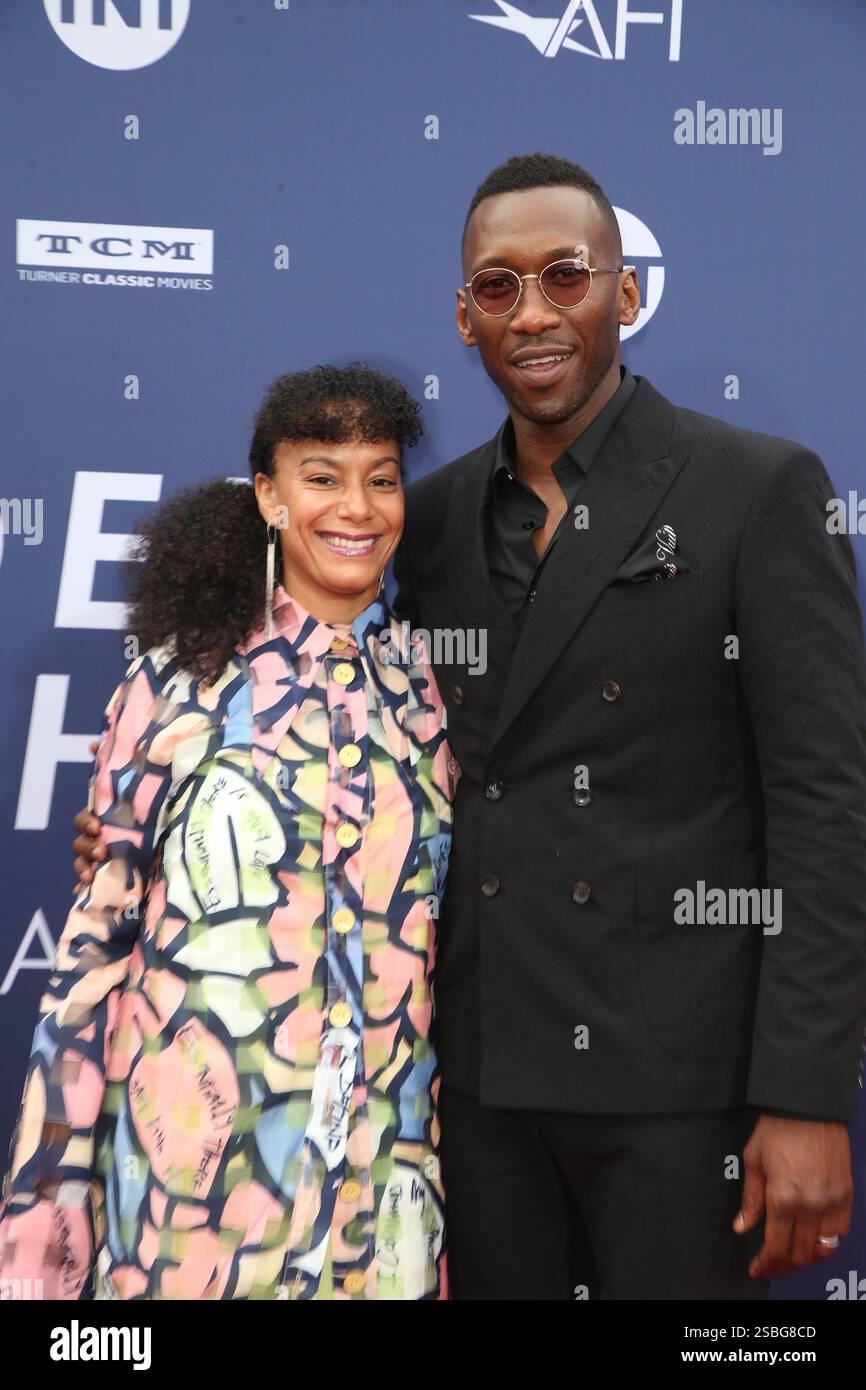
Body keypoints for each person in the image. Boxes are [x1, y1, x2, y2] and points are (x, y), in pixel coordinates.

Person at [70, 153, 866, 1302]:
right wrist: (141, 825)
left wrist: (803, 1092)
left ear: (624, 293)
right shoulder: (423, 518)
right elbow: (334, 731)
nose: (532, 312)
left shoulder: (754, 489)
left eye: (564, 276)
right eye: (498, 287)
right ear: (462, 316)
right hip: (468, 1094)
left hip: (679, 1096)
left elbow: (823, 808)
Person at [0, 363, 456, 1300]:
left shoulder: (425, 694)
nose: (357, 506)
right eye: (321, 475)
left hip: (380, 1193)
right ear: (268, 495)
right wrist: (43, 1213)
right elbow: (94, 959)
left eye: (381, 476)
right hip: (191, 1196)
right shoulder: (177, 681)